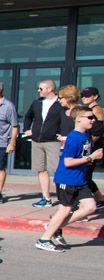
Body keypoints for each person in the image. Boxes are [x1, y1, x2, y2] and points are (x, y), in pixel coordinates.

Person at [35, 105, 103, 251]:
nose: (93, 120)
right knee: (65, 210)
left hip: (80, 180)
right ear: (79, 119)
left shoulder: (85, 135)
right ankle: (44, 239)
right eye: (90, 118)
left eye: (94, 118)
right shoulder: (74, 138)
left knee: (90, 207)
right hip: (67, 180)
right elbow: (68, 162)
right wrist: (91, 157)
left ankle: (54, 225)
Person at [21, 80, 66, 207]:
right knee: (41, 170)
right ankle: (46, 198)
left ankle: (65, 199)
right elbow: (28, 116)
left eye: (41, 89)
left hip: (53, 142)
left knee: (58, 170)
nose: (38, 91)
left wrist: (62, 134)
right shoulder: (37, 103)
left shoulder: (60, 103)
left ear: (50, 89)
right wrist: (27, 129)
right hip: (37, 141)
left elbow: (66, 119)